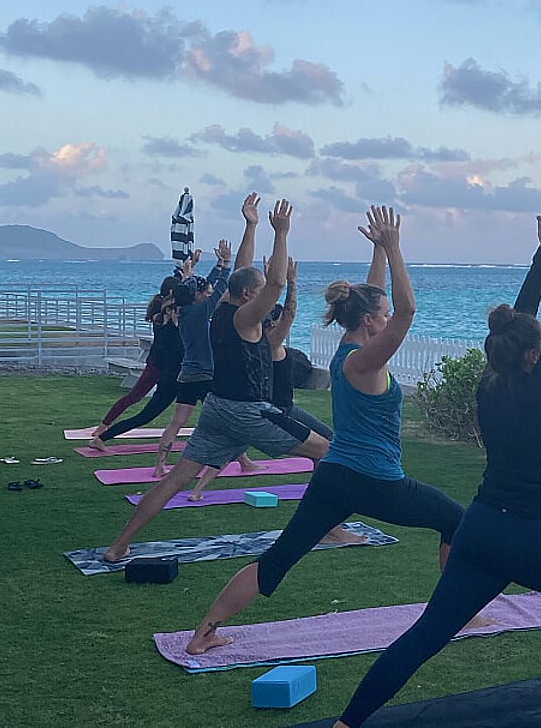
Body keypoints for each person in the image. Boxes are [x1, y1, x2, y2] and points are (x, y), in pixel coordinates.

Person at [332, 204, 541, 728]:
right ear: (531, 357)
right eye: (539, 347)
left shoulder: (491, 383)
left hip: (482, 531)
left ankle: (346, 724)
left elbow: (524, 316)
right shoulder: (538, 393)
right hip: (536, 539)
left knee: (426, 634)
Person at [184, 205, 466, 654]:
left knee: (279, 559)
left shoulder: (349, 349)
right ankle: (455, 614)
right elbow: (408, 310)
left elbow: (375, 300)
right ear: (373, 321)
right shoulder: (365, 361)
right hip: (375, 480)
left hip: (335, 475)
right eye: (384, 313)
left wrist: (377, 249)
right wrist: (394, 249)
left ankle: (204, 633)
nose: (390, 317)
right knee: (457, 521)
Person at [102, 199, 354, 563]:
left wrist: (251, 227)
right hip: (247, 411)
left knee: (176, 479)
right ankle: (324, 529)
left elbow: (242, 269)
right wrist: (281, 233)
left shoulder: (222, 306)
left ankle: (118, 545)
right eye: (262, 287)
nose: (269, 289)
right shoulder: (246, 318)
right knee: (330, 452)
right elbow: (276, 282)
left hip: (217, 408)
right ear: (251, 294)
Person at [185, 255, 331, 501]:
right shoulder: (269, 344)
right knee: (328, 447)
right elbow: (290, 313)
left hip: (259, 408)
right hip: (271, 410)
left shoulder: (251, 333)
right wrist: (288, 281)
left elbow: (250, 291)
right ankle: (320, 503)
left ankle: (198, 490)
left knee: (228, 452)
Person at [150, 194, 263, 478]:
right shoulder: (201, 311)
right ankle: (244, 461)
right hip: (207, 375)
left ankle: (159, 466)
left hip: (187, 375)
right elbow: (225, 286)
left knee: (176, 423)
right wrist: (225, 265)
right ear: (199, 297)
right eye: (205, 292)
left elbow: (207, 286)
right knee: (227, 423)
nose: (209, 293)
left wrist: (213, 267)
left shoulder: (186, 310)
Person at [88, 263, 187, 444]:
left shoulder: (167, 308)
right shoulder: (164, 312)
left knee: (140, 402)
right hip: (158, 366)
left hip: (165, 366)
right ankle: (103, 428)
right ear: (172, 294)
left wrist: (186, 272)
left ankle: (102, 432)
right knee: (135, 397)